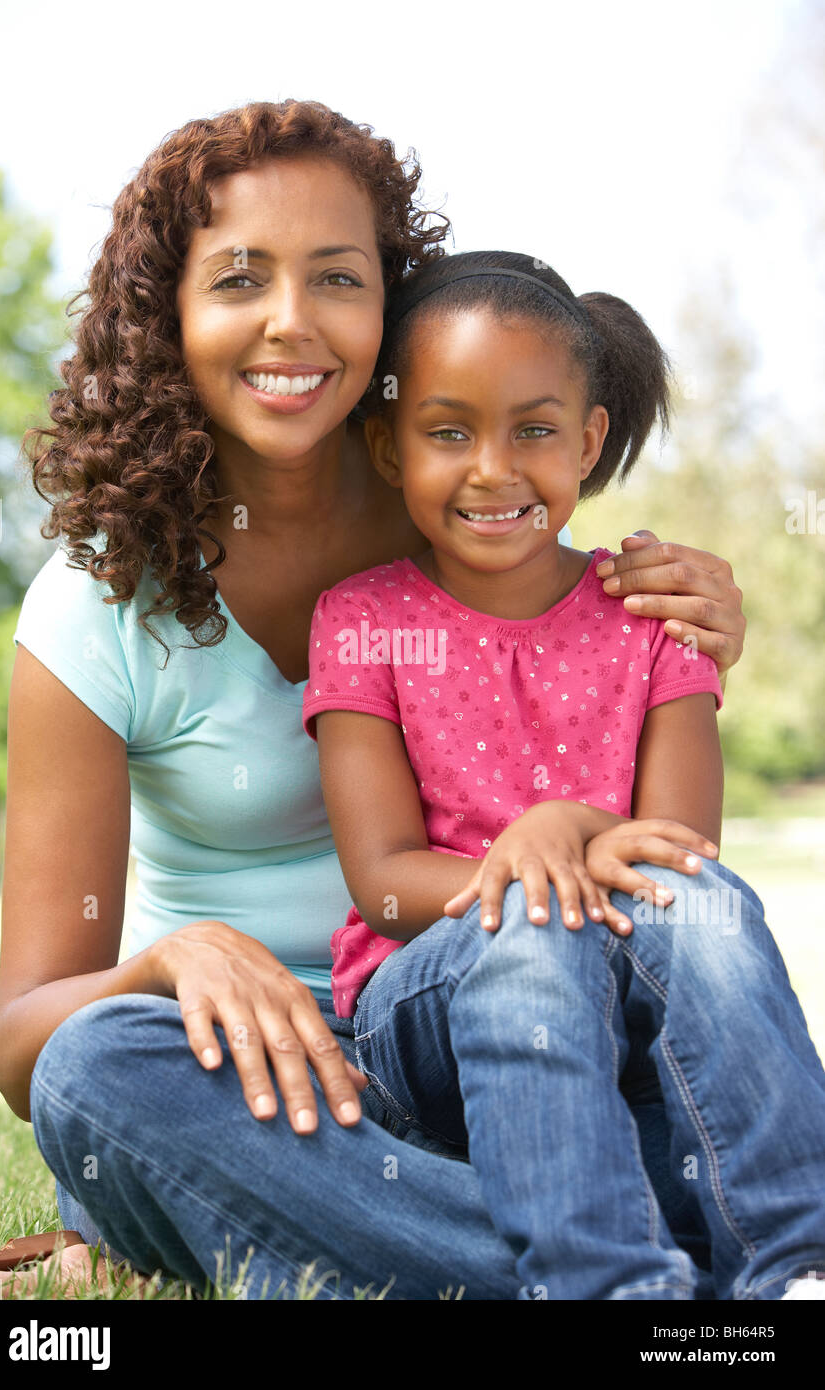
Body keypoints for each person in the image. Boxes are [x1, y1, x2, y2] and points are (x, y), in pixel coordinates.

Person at [0, 101, 749, 1301]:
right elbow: (26, 1039)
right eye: (239, 278)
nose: (291, 321)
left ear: (387, 313)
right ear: (166, 316)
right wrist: (168, 962)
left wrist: (695, 624)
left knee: (635, 1049)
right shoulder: (93, 611)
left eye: (336, 278)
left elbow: (619, 690)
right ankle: (618, 1272)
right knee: (96, 1075)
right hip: (248, 1087)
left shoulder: (460, 507)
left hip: (501, 1047)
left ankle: (412, 1252)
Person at [302, 249, 825, 1300]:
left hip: (622, 978)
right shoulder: (362, 620)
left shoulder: (650, 617)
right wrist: (531, 867)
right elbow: (386, 885)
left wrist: (561, 822)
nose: (492, 468)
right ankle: (611, 1291)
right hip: (427, 1004)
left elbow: (683, 861)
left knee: (705, 906)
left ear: (586, 443)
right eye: (447, 432)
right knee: (531, 926)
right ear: (386, 445)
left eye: (532, 431)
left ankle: (797, 1265)